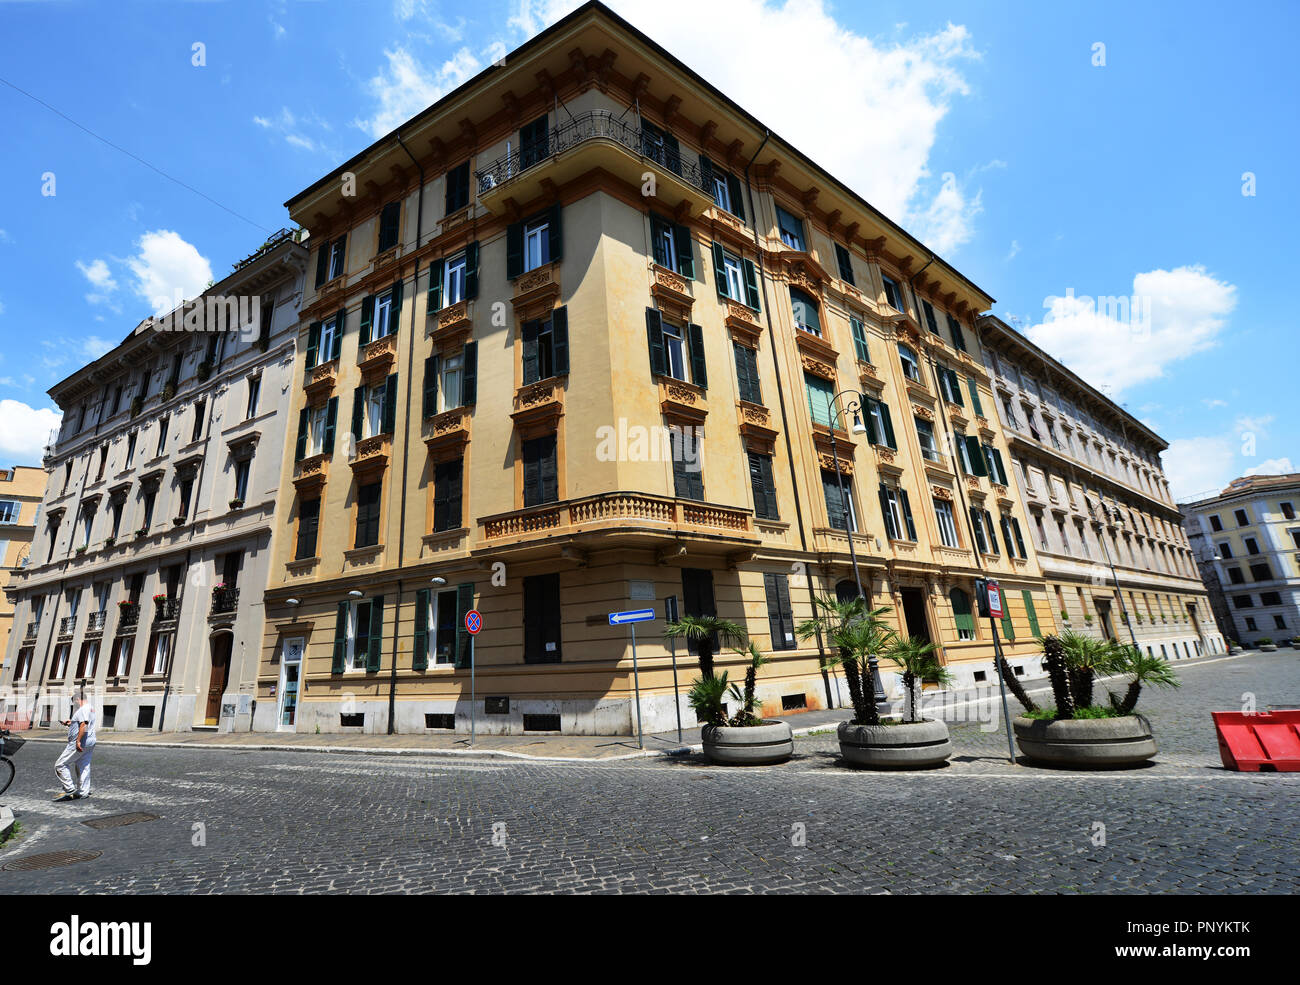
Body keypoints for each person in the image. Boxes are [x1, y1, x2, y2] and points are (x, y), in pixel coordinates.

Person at [54, 693, 96, 802]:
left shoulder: (83, 709)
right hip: (90, 740)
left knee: (60, 765)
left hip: (80, 742)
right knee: (83, 765)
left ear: (78, 699)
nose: (74, 704)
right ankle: (83, 792)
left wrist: (78, 741)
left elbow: (84, 725)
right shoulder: (90, 708)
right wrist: (71, 723)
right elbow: (82, 723)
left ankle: (69, 788)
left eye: (74, 702)